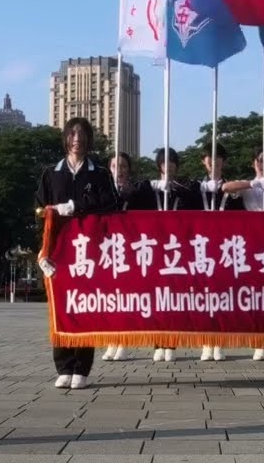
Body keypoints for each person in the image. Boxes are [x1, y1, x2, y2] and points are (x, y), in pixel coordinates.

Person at [37, 117, 117, 389]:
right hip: (60, 250)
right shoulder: (51, 173)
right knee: (61, 307)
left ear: (89, 140)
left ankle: (82, 367)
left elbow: (111, 205)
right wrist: (52, 213)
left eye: (82, 135)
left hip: (90, 252)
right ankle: (63, 366)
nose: (77, 139)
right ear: (65, 139)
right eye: (72, 134)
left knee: (86, 307)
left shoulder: (100, 174)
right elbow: (39, 208)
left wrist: (77, 206)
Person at [224, 149, 264, 361]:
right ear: (254, 163)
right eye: (260, 161)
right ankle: (258, 342)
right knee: (257, 296)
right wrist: (252, 184)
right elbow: (225, 187)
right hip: (254, 244)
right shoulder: (249, 185)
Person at [149, 147, 200, 362]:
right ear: (159, 165)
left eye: (172, 162)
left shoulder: (184, 188)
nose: (168, 166)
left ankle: (171, 343)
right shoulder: (149, 187)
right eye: (164, 162)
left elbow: (195, 200)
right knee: (156, 299)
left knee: (173, 298)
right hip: (155, 248)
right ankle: (158, 342)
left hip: (177, 249)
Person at [194, 143, 242, 361]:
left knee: (223, 296)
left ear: (224, 161)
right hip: (202, 248)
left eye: (218, 157)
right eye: (209, 157)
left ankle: (220, 341)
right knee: (204, 297)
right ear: (203, 161)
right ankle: (206, 342)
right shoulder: (196, 187)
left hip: (225, 248)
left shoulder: (232, 188)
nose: (213, 161)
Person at [101, 153, 146, 363]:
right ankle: (111, 340)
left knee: (125, 298)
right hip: (108, 250)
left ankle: (124, 342)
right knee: (110, 299)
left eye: (123, 166)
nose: (119, 170)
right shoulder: (103, 191)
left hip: (129, 250)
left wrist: (128, 195)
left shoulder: (136, 192)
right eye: (114, 165)